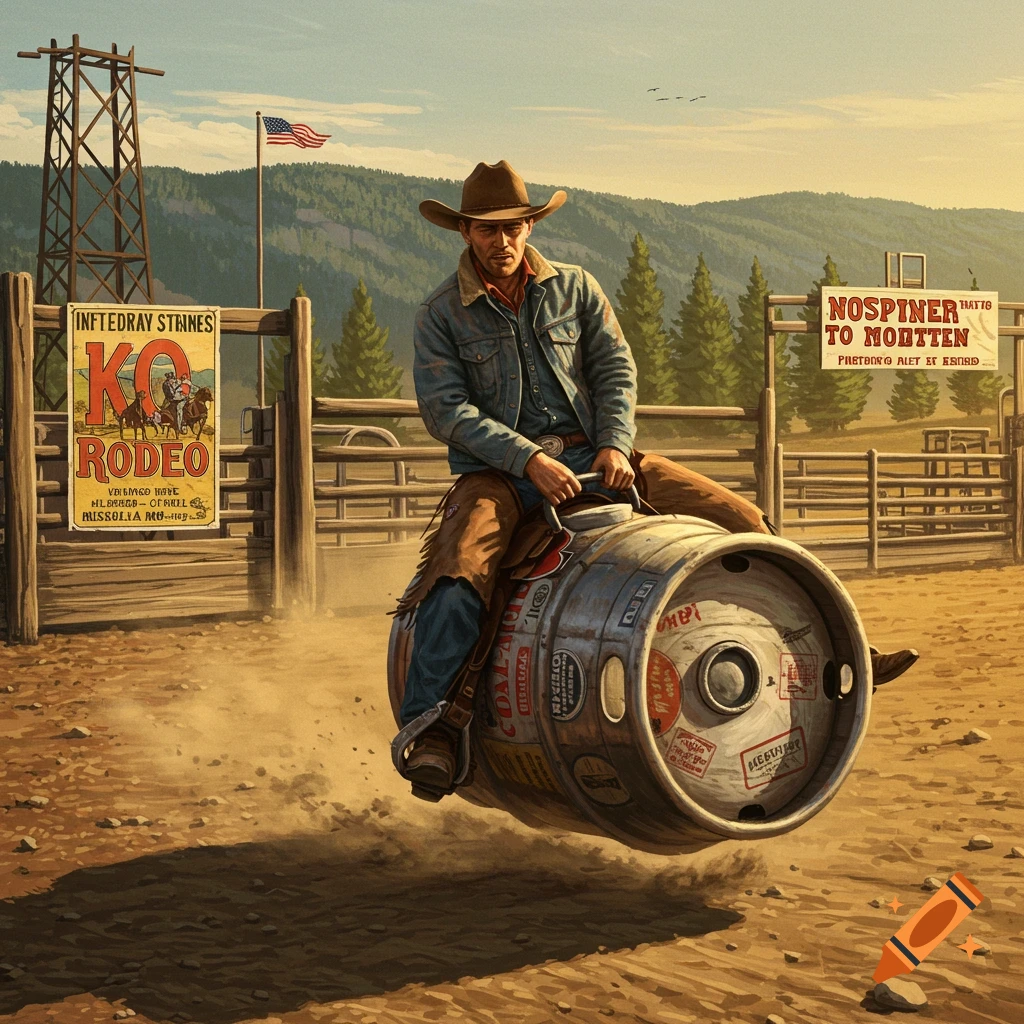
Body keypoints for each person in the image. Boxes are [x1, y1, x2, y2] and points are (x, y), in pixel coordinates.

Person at [397, 160, 918, 798]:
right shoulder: (442, 314)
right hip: (501, 475)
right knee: (459, 569)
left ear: (531, 226)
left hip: (597, 454)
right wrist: (525, 459)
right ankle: (431, 727)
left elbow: (615, 366)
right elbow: (447, 410)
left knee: (740, 518)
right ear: (466, 233)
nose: (500, 242)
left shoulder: (576, 288)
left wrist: (615, 443)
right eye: (485, 230)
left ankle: (846, 648)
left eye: (512, 227)